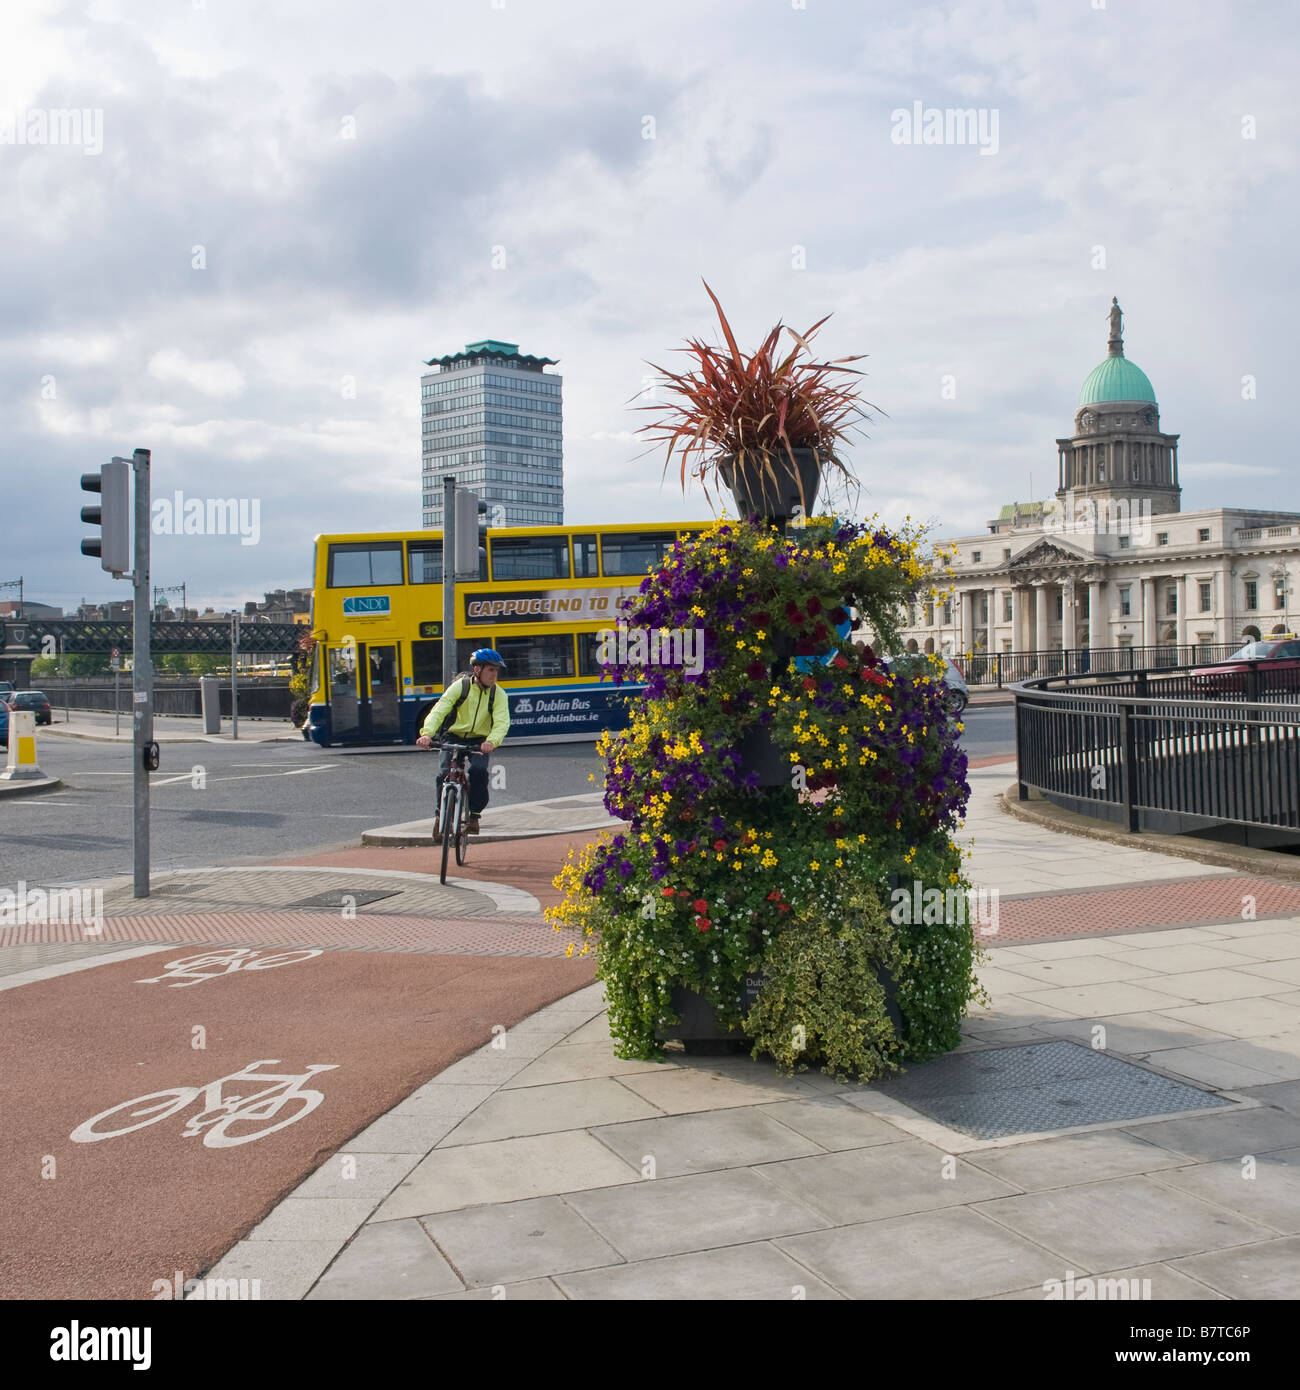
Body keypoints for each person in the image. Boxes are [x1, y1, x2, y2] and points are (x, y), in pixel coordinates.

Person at [415, 649, 510, 835]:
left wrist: (491, 741)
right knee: (444, 773)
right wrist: (427, 734)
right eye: (491, 670)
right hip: (453, 736)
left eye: (496, 671)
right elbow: (439, 710)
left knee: (478, 772)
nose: (494, 675)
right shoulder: (461, 687)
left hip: (480, 740)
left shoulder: (498, 694)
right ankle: (440, 815)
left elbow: (502, 722)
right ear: (477, 669)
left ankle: (474, 816)